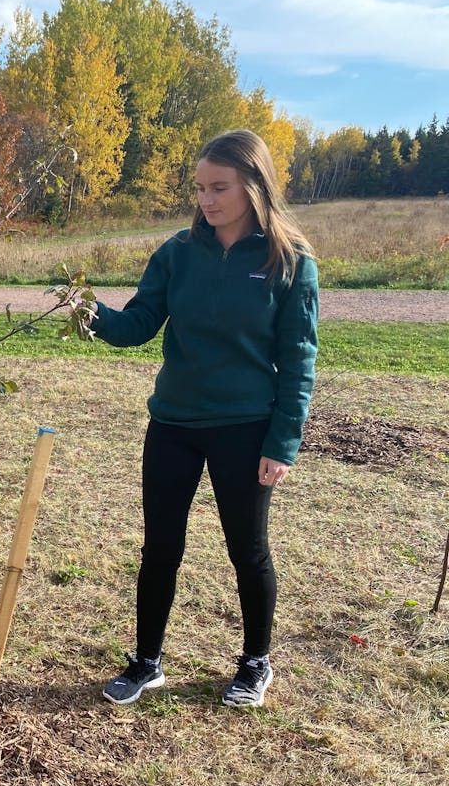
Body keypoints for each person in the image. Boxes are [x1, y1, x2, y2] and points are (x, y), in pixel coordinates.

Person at [91, 129, 318, 709]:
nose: (207, 201)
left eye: (220, 188)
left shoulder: (289, 262)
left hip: (245, 431)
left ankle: (255, 662)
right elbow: (138, 324)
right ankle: (146, 662)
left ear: (254, 185)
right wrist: (89, 313)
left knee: (249, 549)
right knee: (159, 546)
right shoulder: (176, 253)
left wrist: (282, 443)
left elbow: (298, 360)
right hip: (173, 425)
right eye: (200, 189)